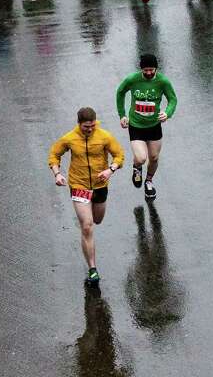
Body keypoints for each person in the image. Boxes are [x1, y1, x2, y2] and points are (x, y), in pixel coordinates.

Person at [47, 107, 125, 285]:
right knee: (87, 226)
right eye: (85, 127)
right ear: (79, 124)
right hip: (79, 185)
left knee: (97, 220)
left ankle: (91, 263)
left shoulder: (104, 136)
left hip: (100, 185)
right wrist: (57, 173)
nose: (89, 130)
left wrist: (110, 170)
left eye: (92, 126)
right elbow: (54, 154)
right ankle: (93, 270)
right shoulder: (69, 138)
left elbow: (119, 155)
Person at [116, 54, 178, 200]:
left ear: (156, 68)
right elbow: (120, 93)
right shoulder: (132, 79)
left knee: (154, 158)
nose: (149, 73)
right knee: (141, 158)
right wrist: (122, 115)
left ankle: (149, 181)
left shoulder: (163, 81)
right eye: (146, 70)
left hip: (154, 126)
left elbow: (173, 99)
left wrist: (167, 113)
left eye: (152, 70)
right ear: (141, 69)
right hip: (136, 125)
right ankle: (137, 168)